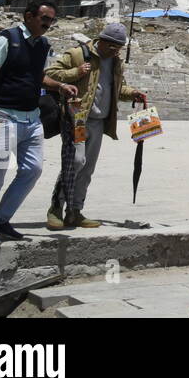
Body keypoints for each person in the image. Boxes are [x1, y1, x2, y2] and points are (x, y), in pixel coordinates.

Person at [0, 0, 73, 246]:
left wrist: (59, 85)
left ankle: (1, 219)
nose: (47, 24)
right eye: (44, 19)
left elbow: (37, 76)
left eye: (51, 20)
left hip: (31, 119)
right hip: (3, 117)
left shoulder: (42, 45)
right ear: (28, 16)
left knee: (32, 170)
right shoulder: (7, 39)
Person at [44, 23, 146, 230]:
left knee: (87, 168)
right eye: (112, 46)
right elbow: (50, 73)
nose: (115, 51)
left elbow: (117, 88)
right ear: (102, 40)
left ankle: (75, 211)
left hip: (100, 122)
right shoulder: (78, 54)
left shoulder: (117, 62)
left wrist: (132, 93)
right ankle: (56, 208)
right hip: (77, 119)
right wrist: (76, 72)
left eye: (119, 47)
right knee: (76, 161)